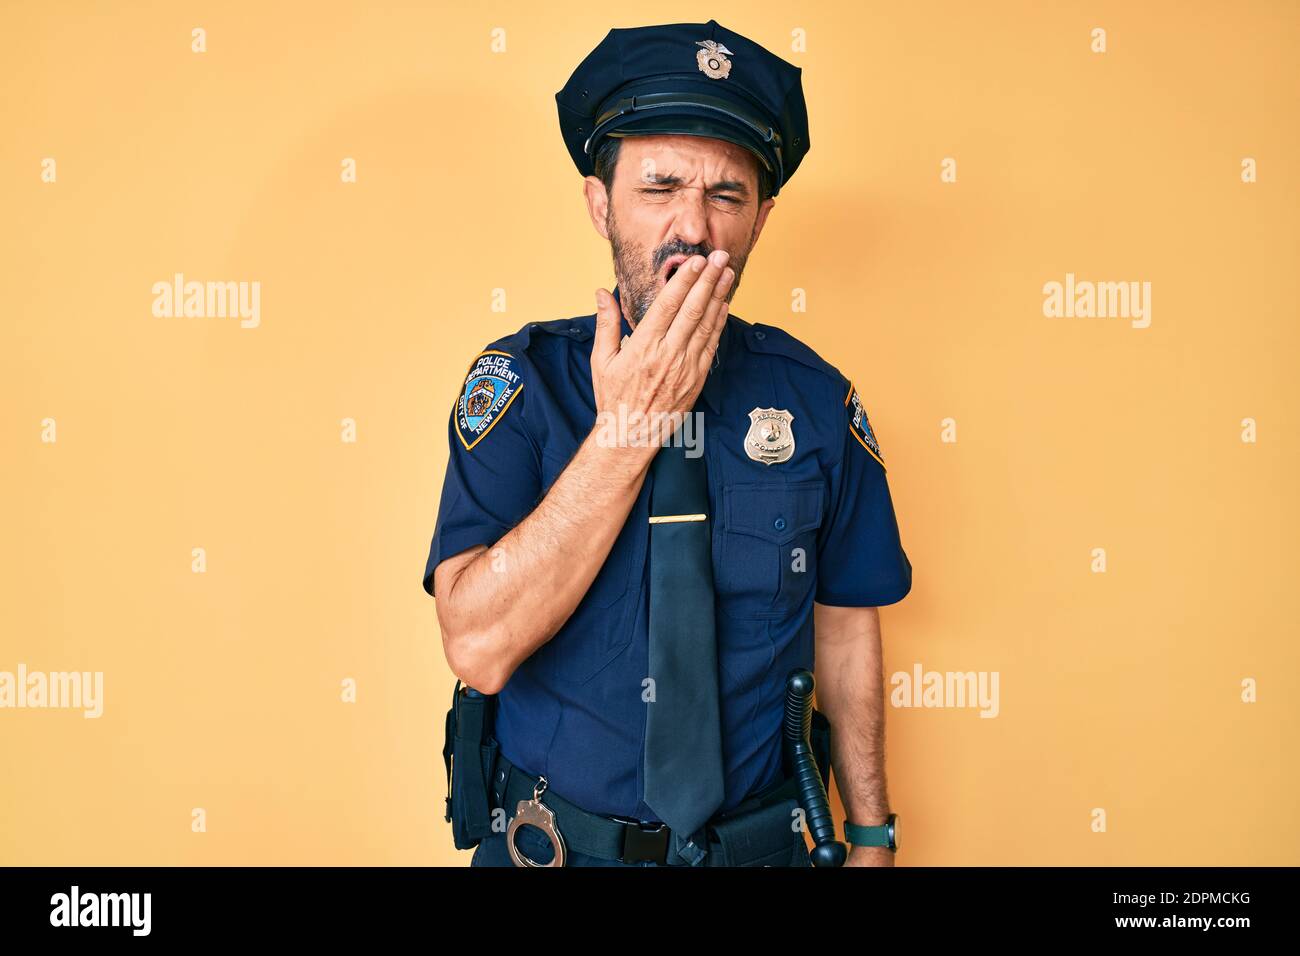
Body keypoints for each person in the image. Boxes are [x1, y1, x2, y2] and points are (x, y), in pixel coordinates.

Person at [423, 18, 910, 867]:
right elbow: (477, 647)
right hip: (555, 852)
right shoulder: (519, 385)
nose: (694, 227)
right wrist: (627, 433)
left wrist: (871, 832)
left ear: (759, 219)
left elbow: (844, 620)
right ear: (600, 202)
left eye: (727, 195)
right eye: (659, 186)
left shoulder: (817, 400)